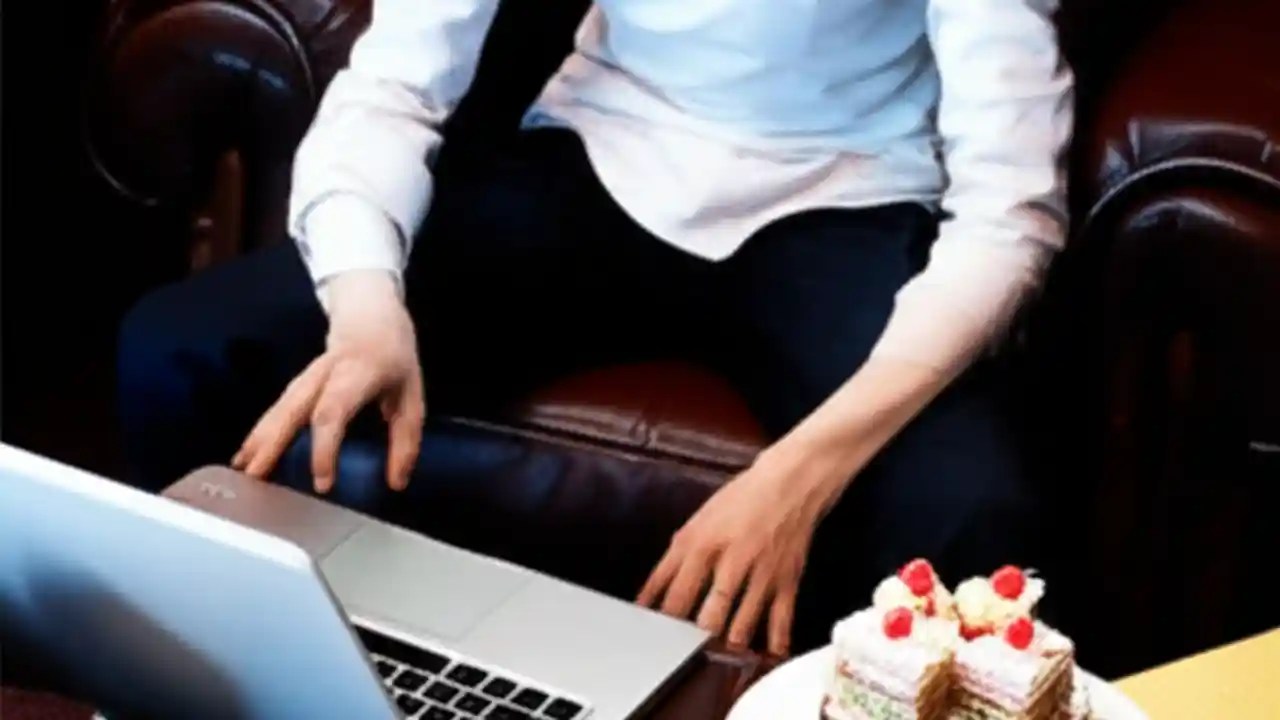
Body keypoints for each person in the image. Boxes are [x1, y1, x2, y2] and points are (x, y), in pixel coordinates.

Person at [118, 0, 1073, 656]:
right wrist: (368, 306)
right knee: (184, 348)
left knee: (971, 511)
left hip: (851, 189)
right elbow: (394, 86)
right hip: (606, 149)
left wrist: (797, 477)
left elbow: (1013, 213)